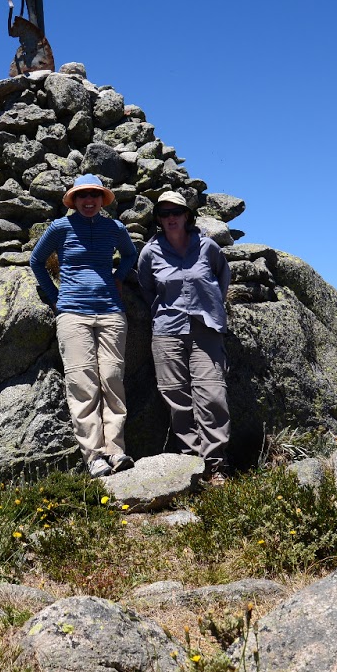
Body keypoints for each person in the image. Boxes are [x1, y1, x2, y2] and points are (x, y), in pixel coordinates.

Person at [29, 173, 139, 478]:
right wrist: (54, 296)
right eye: (82, 196)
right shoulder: (60, 228)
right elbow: (36, 261)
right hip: (73, 314)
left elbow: (130, 254)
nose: (88, 201)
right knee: (83, 384)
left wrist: (118, 277)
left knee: (112, 379)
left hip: (111, 313)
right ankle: (94, 456)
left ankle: (116, 452)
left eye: (94, 196)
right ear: (74, 200)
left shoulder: (114, 228)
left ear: (101, 199)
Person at [137, 190, 232, 483]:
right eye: (164, 214)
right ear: (158, 219)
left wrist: (211, 306)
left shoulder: (207, 247)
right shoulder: (150, 252)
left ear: (187, 215)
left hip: (206, 330)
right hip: (167, 330)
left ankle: (216, 466)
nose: (170, 218)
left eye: (175, 212)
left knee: (213, 394)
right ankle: (191, 468)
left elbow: (222, 276)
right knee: (177, 399)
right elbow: (147, 287)